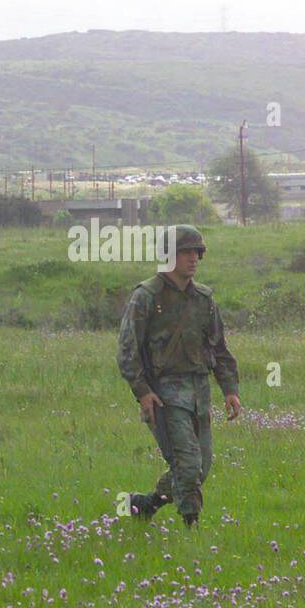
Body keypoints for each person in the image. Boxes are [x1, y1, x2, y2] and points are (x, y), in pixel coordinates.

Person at [115, 224, 241, 528]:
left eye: (197, 252)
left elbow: (219, 347)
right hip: (164, 394)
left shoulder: (204, 299)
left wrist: (230, 389)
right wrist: (143, 391)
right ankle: (191, 528)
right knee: (187, 464)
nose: (193, 258)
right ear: (168, 255)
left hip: (199, 391)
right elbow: (127, 350)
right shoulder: (146, 296)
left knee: (201, 467)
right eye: (186, 251)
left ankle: (146, 505)